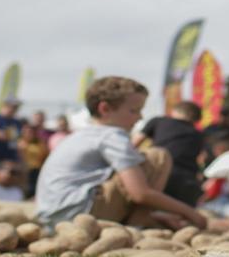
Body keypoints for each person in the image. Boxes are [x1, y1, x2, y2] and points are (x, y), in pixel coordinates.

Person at [34, 76, 207, 230]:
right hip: (81, 213)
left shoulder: (79, 135)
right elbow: (141, 193)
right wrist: (191, 213)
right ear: (105, 109)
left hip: (54, 216)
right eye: (134, 110)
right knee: (157, 156)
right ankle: (138, 222)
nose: (140, 117)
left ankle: (143, 219)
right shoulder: (111, 135)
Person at [133, 100, 207, 206]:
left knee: (149, 212)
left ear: (175, 111)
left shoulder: (159, 121)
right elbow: (202, 159)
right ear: (196, 119)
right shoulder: (198, 134)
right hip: (187, 181)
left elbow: (134, 144)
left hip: (159, 174)